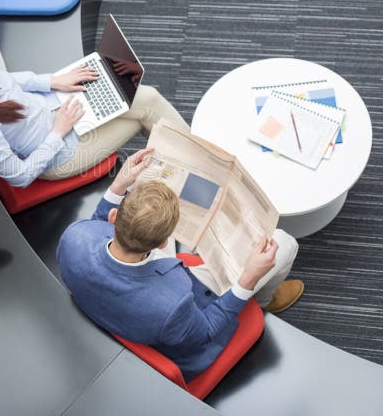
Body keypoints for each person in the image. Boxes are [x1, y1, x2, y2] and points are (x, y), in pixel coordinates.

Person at [57, 148, 304, 381]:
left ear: (113, 217)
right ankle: (260, 300)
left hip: (127, 299)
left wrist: (118, 185)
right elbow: (207, 330)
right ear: (163, 242)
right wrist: (247, 279)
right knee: (285, 244)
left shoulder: (72, 237)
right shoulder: (174, 301)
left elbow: (94, 228)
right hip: (176, 323)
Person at [0, 27, 187, 187]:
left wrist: (54, 80)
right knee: (144, 112)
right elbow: (19, 176)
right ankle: (196, 164)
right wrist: (58, 131)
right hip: (61, 154)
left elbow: (12, 80)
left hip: (57, 109)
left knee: (147, 98)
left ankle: (190, 161)